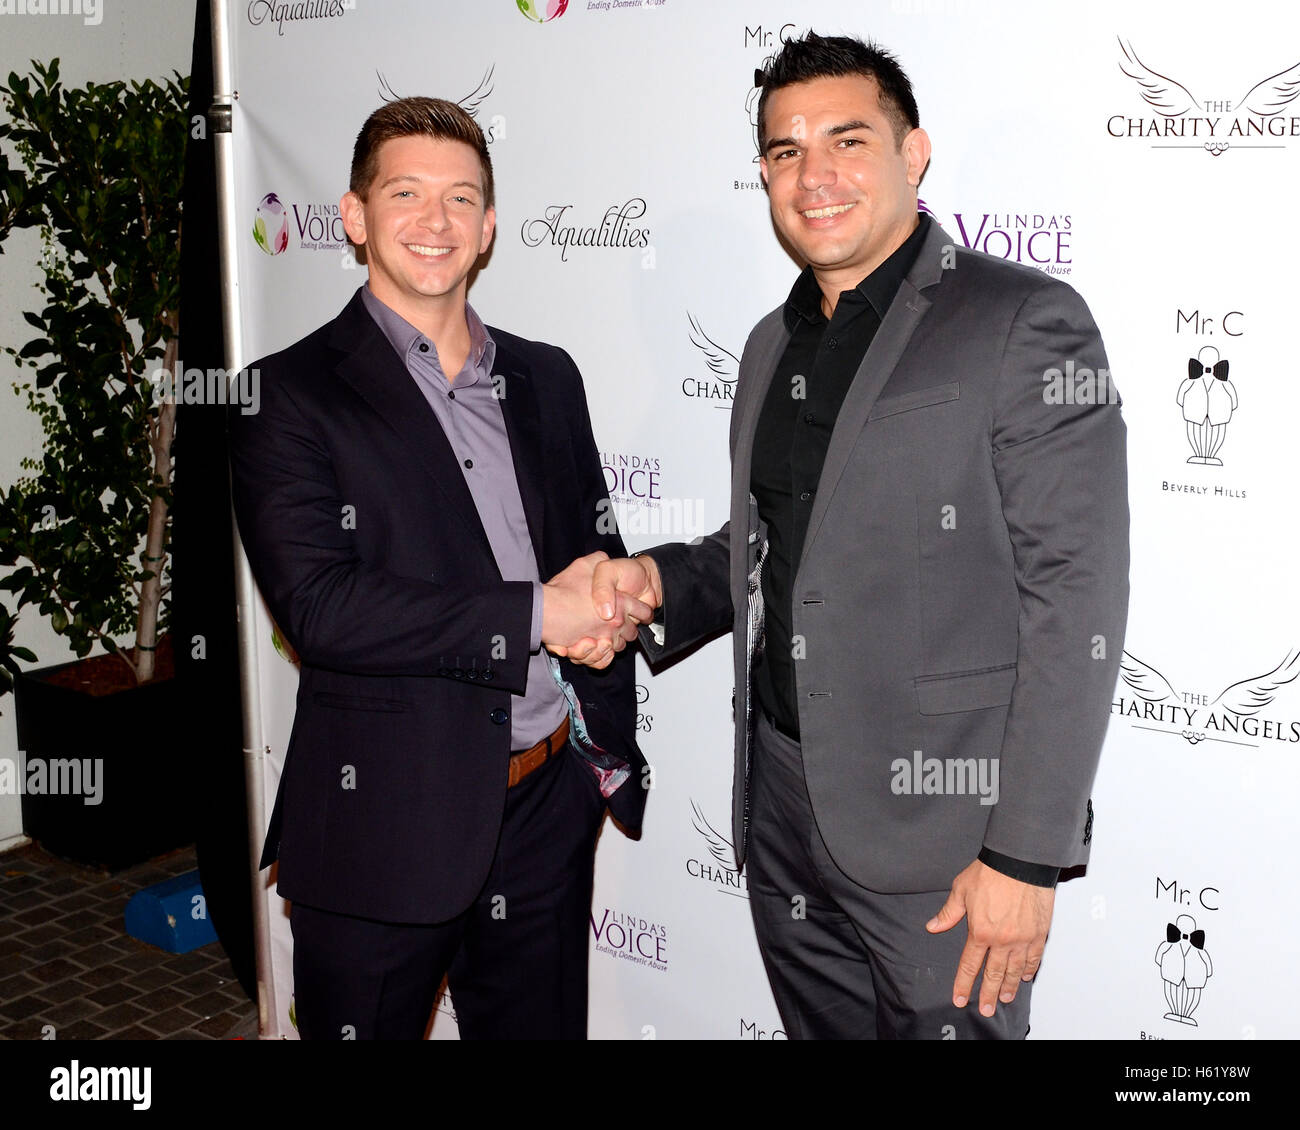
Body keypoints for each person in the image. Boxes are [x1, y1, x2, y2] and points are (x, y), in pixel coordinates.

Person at [560, 32, 1130, 1039]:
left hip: (943, 841)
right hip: (781, 803)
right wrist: (651, 579)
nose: (812, 174)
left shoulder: (1021, 320)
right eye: (784, 151)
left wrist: (1024, 853)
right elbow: (772, 546)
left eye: (846, 140)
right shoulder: (769, 343)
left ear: (912, 155)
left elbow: (1074, 597)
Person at [228, 97, 650, 1040]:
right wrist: (538, 614)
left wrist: (616, 608)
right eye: (406, 192)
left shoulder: (548, 376)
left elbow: (593, 554)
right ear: (354, 215)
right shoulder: (285, 394)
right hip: (381, 817)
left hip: (545, 809)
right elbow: (323, 607)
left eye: (462, 198)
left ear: (490, 227)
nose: (435, 221)